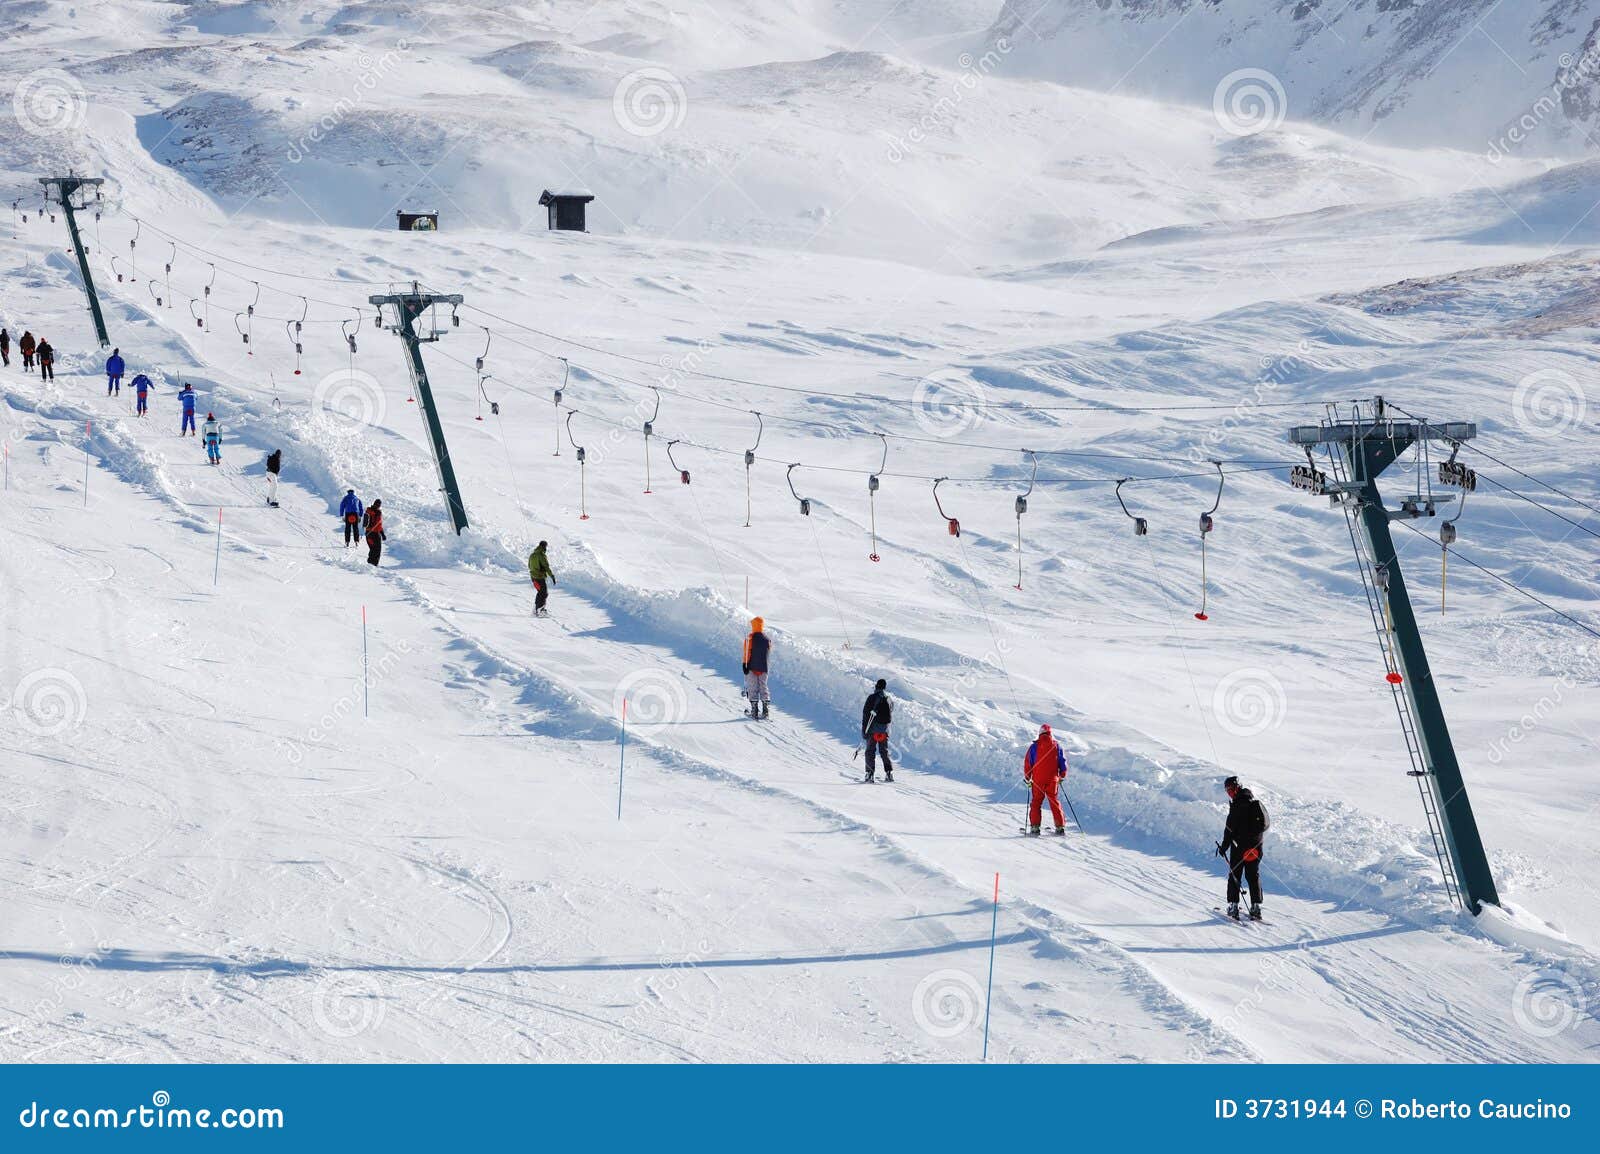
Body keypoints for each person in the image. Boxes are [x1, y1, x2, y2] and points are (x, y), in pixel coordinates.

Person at [1216, 775, 1267, 921]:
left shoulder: (1238, 806)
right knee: (1253, 875)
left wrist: (1223, 847)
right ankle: (1256, 907)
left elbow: (1229, 831)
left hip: (1240, 849)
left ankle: (1233, 907)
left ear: (1238, 788)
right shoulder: (1253, 802)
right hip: (1256, 847)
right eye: (1227, 790)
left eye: (1231, 789)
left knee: (1234, 875)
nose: (1230, 793)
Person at [1022, 723, 1068, 836]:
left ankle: (1035, 827)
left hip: (1038, 780)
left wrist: (1028, 778)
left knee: (1036, 802)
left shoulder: (1034, 747)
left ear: (1040, 733)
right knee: (1054, 801)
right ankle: (1060, 827)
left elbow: (1028, 763)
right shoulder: (1057, 746)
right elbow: (1063, 762)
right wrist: (1062, 775)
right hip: (1053, 780)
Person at [861, 678, 893, 783]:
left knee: (870, 751)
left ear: (876, 686)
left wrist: (864, 731)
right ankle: (889, 773)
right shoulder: (889, 699)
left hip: (873, 731)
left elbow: (866, 715)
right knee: (884, 751)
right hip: (884, 731)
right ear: (884, 687)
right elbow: (890, 715)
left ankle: (870, 774)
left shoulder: (871, 698)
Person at [741, 617, 770, 719]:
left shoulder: (749, 639)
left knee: (752, 687)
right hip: (764, 667)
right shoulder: (767, 639)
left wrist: (745, 664)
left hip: (752, 667)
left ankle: (754, 710)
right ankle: (765, 709)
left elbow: (747, 652)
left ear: (753, 626)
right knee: (763, 686)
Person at [527, 540, 554, 617]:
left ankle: (535, 610)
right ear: (544, 546)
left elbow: (529, 566)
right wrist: (552, 576)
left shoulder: (532, 555)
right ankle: (541, 611)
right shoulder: (541, 555)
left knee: (540, 592)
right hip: (539, 577)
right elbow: (546, 567)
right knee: (544, 593)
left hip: (533, 578)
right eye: (546, 546)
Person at [363, 499, 385, 567]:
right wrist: (382, 534)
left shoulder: (368, 511)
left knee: (372, 549)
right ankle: (374, 565)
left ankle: (369, 564)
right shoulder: (378, 512)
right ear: (379, 505)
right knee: (377, 550)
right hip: (375, 534)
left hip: (368, 533)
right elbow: (379, 525)